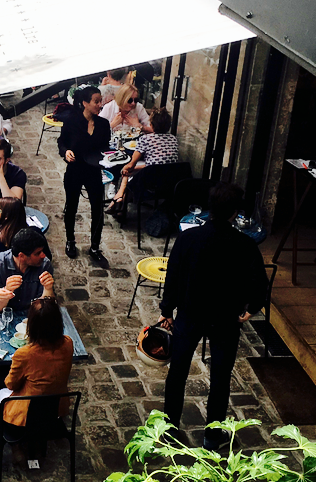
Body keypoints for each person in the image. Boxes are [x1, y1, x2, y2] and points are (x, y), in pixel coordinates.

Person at [157, 182, 268, 450]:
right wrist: (250, 310)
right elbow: (259, 284)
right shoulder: (244, 245)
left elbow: (172, 277)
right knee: (220, 378)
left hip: (190, 314)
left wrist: (166, 311)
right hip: (225, 319)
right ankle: (212, 436)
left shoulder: (188, 238)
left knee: (178, 373)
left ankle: (169, 428)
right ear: (234, 213)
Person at [0, 296, 73, 425]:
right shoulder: (68, 343)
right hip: (57, 405)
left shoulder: (24, 353)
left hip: (28, 411)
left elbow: (11, 384)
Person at [59, 85, 113, 266]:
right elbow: (62, 142)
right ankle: (70, 241)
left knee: (97, 209)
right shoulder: (72, 122)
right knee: (71, 206)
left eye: (100, 101)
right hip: (75, 170)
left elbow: (105, 149)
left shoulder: (104, 125)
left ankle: (95, 247)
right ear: (85, 103)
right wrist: (66, 152)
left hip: (94, 172)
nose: (100, 104)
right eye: (96, 101)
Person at [111, 107, 179, 214]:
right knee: (133, 170)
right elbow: (160, 162)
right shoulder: (173, 139)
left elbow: (132, 164)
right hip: (168, 181)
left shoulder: (146, 139)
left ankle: (119, 200)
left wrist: (126, 167)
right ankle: (119, 198)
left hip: (150, 181)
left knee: (126, 169)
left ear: (151, 125)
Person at [0, 227, 54, 313]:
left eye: (42, 251)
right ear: (21, 256)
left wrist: (48, 289)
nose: (43, 255)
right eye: (37, 253)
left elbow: (47, 309)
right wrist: (6, 291)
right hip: (5, 317)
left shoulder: (44, 265)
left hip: (32, 316)